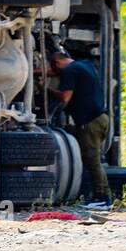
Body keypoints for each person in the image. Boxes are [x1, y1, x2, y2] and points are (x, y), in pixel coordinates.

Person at [48, 49, 111, 209]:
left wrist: (48, 89)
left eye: (55, 69)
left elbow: (65, 97)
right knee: (93, 158)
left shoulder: (69, 71)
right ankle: (99, 197)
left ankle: (102, 198)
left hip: (89, 122)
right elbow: (56, 71)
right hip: (101, 119)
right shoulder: (84, 65)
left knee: (92, 160)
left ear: (57, 63)